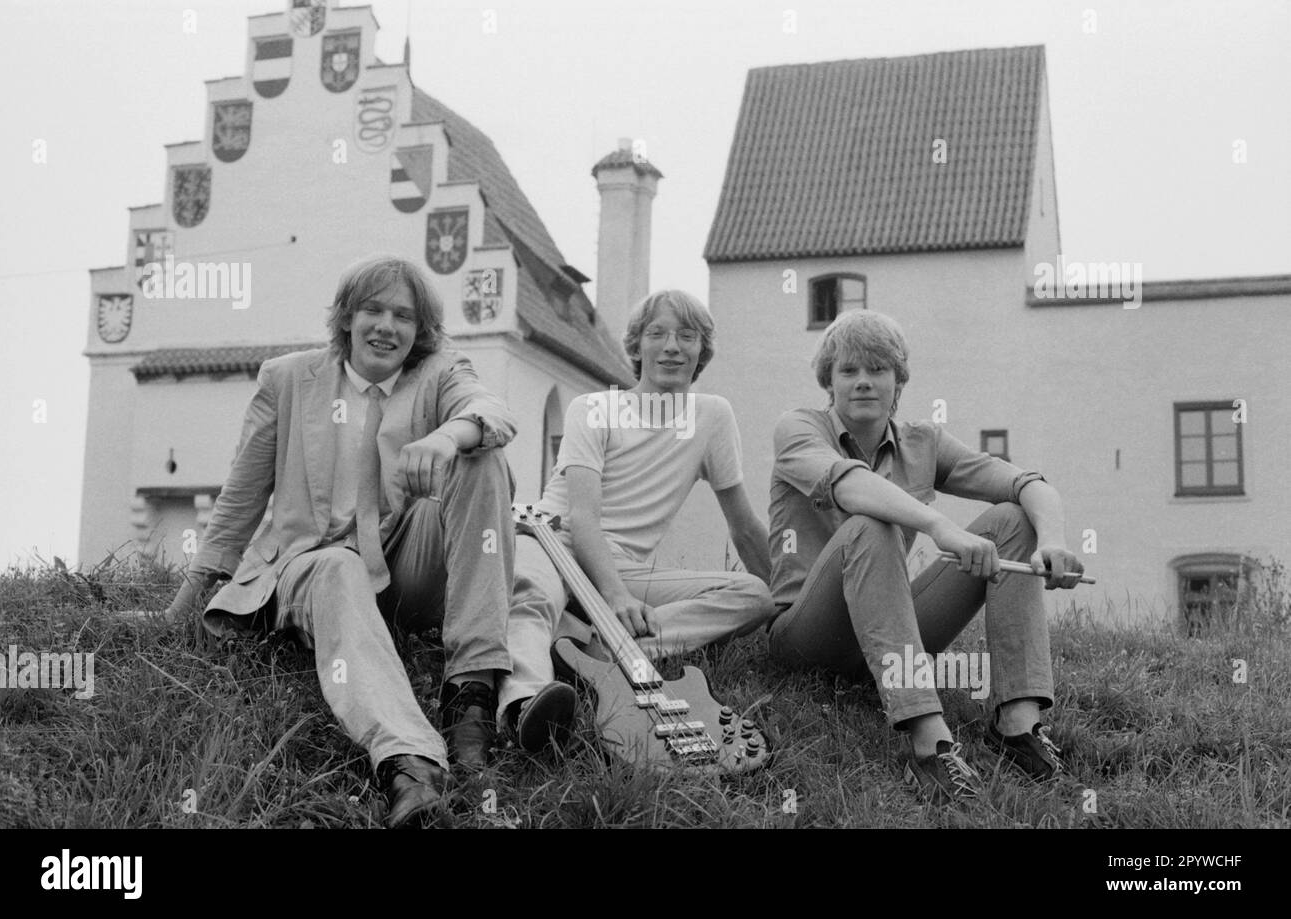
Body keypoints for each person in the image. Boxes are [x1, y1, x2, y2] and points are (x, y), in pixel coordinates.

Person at [163, 254, 518, 828]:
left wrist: (451, 435)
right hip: (314, 566)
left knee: (483, 460)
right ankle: (410, 764)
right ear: (347, 318)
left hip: (403, 563)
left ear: (420, 330)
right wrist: (185, 605)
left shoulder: (440, 374)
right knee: (335, 566)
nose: (387, 326)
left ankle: (470, 695)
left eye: (403, 315)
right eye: (373, 310)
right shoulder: (288, 379)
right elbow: (238, 503)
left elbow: (492, 411)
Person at [767, 309, 1085, 805]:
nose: (864, 383)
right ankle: (929, 740)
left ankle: (1017, 727)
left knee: (1014, 520)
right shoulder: (797, 428)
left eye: (878, 370)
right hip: (809, 636)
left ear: (900, 381)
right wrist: (941, 527)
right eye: (849, 371)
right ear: (828, 383)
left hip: (887, 634)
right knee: (870, 523)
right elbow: (853, 486)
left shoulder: (923, 441)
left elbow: (1025, 483)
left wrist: (1053, 540)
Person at [497, 290, 776, 751]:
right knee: (533, 594)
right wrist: (616, 597)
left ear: (701, 352)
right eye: (657, 334)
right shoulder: (594, 408)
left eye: (686, 336)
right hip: (554, 540)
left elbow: (743, 525)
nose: (672, 346)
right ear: (637, 346)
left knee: (752, 595)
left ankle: (600, 655)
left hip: (626, 566)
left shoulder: (713, 416)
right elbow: (582, 517)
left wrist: (787, 603)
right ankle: (526, 705)